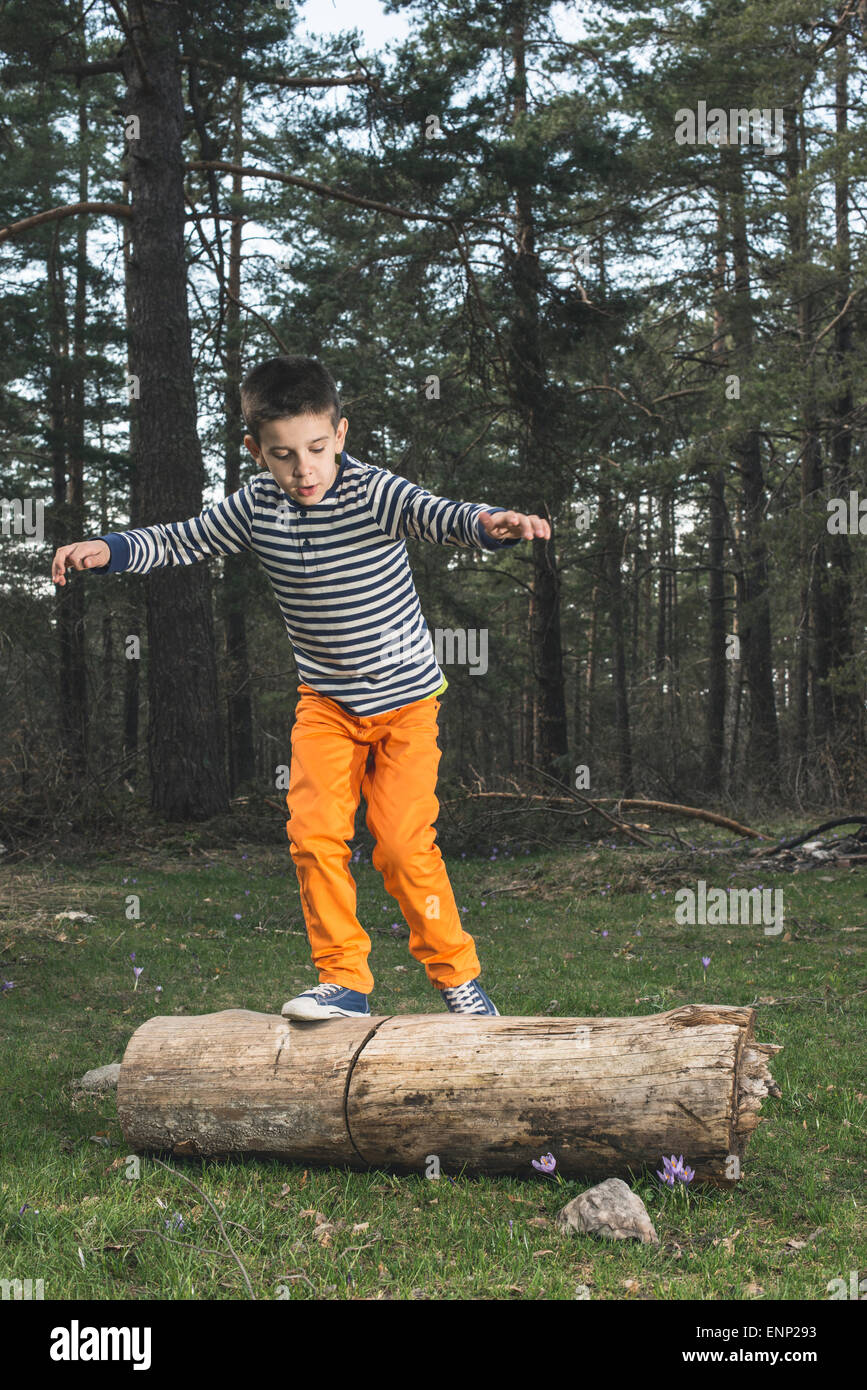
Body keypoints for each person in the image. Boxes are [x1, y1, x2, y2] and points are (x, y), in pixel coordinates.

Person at [51, 356, 551, 1020]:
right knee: (313, 834)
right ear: (255, 451)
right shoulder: (255, 507)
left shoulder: (375, 492)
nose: (303, 470)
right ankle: (344, 980)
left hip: (406, 706)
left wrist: (490, 524)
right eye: (283, 455)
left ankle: (458, 977)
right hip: (326, 706)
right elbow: (183, 540)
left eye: (316, 449)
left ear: (340, 434)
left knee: (402, 846)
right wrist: (109, 548)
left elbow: (438, 513)